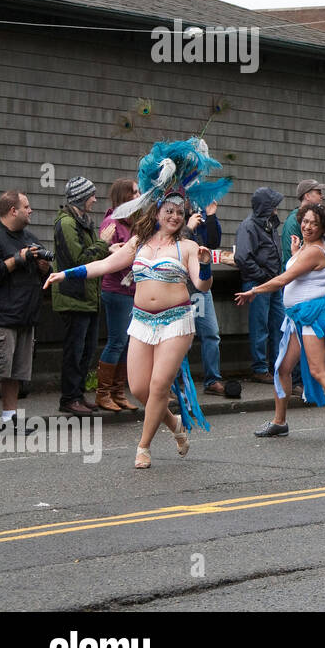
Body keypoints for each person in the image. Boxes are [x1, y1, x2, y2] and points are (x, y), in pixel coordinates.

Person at [47, 191, 213, 469]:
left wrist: (206, 266)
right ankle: (175, 424)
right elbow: (105, 264)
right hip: (142, 320)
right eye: (169, 211)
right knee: (139, 388)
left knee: (159, 385)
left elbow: (202, 285)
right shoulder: (138, 242)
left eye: (180, 213)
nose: (174, 217)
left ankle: (143, 447)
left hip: (176, 321)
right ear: (158, 212)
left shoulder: (188, 247)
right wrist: (65, 274)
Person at [237, 203, 325, 441]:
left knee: (319, 370)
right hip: (298, 318)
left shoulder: (315, 250)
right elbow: (302, 271)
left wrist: (254, 290)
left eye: (314, 223)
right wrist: (296, 252)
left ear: (323, 228)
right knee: (282, 368)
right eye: (305, 221)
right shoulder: (308, 248)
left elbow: (285, 279)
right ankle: (279, 422)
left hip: (312, 318)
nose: (307, 226)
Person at [51, 176, 110, 417]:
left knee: (85, 351)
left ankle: (77, 395)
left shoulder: (84, 221)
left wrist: (106, 247)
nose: (95, 200)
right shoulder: (66, 223)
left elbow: (92, 252)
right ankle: (68, 398)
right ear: (80, 198)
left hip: (88, 297)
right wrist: (105, 244)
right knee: (74, 351)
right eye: (91, 196)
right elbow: (79, 260)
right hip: (73, 297)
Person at [0, 191, 49, 434]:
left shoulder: (29, 236)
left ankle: (9, 421)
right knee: (0, 369)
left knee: (15, 374)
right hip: (3, 318)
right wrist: (16, 260)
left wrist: (43, 266)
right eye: (26, 207)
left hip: (26, 316)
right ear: (13, 211)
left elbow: (44, 273)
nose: (31, 211)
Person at [96, 178, 142, 413]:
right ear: (124, 196)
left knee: (125, 344)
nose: (138, 195)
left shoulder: (133, 222)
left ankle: (118, 392)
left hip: (132, 290)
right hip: (116, 290)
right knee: (116, 341)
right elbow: (105, 258)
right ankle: (103, 393)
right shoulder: (111, 222)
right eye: (134, 192)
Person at [235, 187, 285, 385]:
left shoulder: (268, 225)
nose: (277, 209)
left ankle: (276, 365)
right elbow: (242, 256)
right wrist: (263, 276)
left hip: (272, 282)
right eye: (274, 206)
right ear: (267, 207)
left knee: (277, 325)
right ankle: (260, 367)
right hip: (259, 283)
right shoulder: (249, 226)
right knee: (260, 326)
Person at [185, 201, 230, 398]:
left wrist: (210, 216)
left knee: (211, 333)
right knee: (181, 337)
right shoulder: (172, 214)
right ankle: (174, 383)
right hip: (180, 286)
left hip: (201, 286)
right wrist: (188, 228)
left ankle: (212, 380)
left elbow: (213, 242)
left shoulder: (201, 214)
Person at [282, 180, 325, 290]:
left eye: (314, 223)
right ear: (307, 196)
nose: (322, 196)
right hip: (303, 287)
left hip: (321, 284)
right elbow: (291, 258)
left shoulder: (319, 216)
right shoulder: (294, 221)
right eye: (318, 192)